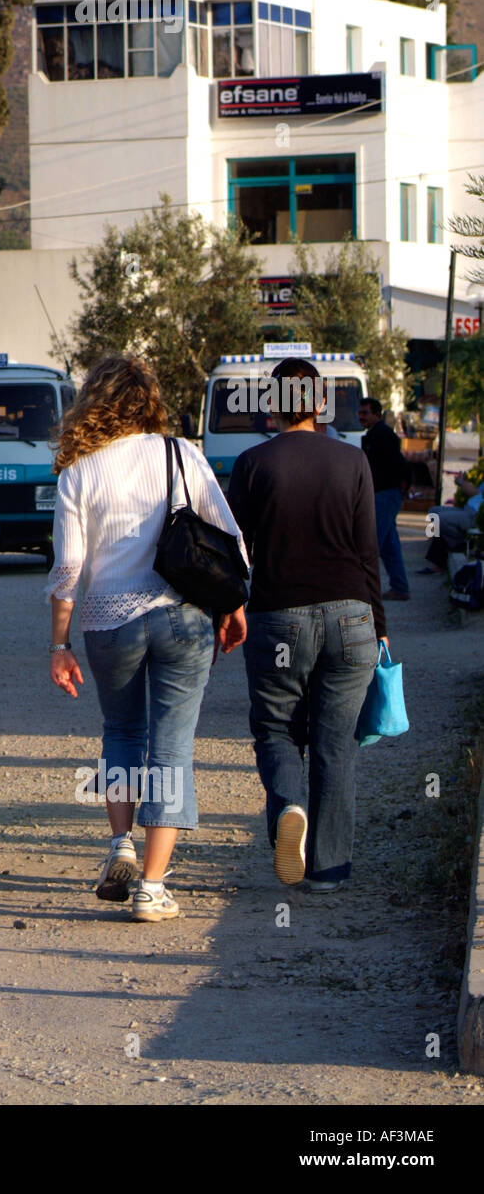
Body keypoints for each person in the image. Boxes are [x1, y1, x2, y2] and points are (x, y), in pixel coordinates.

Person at [48, 355, 247, 923]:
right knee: (172, 746)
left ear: (93, 404)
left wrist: (58, 645)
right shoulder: (181, 453)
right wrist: (233, 606)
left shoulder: (78, 470)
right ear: (150, 401)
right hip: (182, 614)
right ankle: (152, 889)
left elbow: (67, 571)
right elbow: (228, 537)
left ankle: (120, 847)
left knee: (122, 731)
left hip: (108, 621)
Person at [228, 359, 384, 894]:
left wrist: (229, 608)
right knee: (337, 744)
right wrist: (379, 625)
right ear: (319, 405)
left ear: (272, 403)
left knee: (276, 731)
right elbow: (368, 550)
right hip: (352, 615)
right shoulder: (352, 461)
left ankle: (290, 805)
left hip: (278, 619)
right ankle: (328, 871)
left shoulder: (252, 464)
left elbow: (232, 550)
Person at [358, 396, 410, 600]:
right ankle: (400, 587)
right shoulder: (374, 435)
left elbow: (397, 463)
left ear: (377, 414)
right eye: (360, 412)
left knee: (372, 542)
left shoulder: (382, 436)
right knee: (389, 544)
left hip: (385, 494)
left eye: (365, 413)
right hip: (384, 493)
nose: (361, 417)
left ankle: (363, 590)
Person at [419, 467, 482, 574]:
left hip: (475, 516)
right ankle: (438, 560)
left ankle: (459, 545)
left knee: (440, 519)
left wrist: (461, 482)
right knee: (433, 512)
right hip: (467, 509)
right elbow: (476, 493)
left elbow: (474, 492)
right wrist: (462, 482)